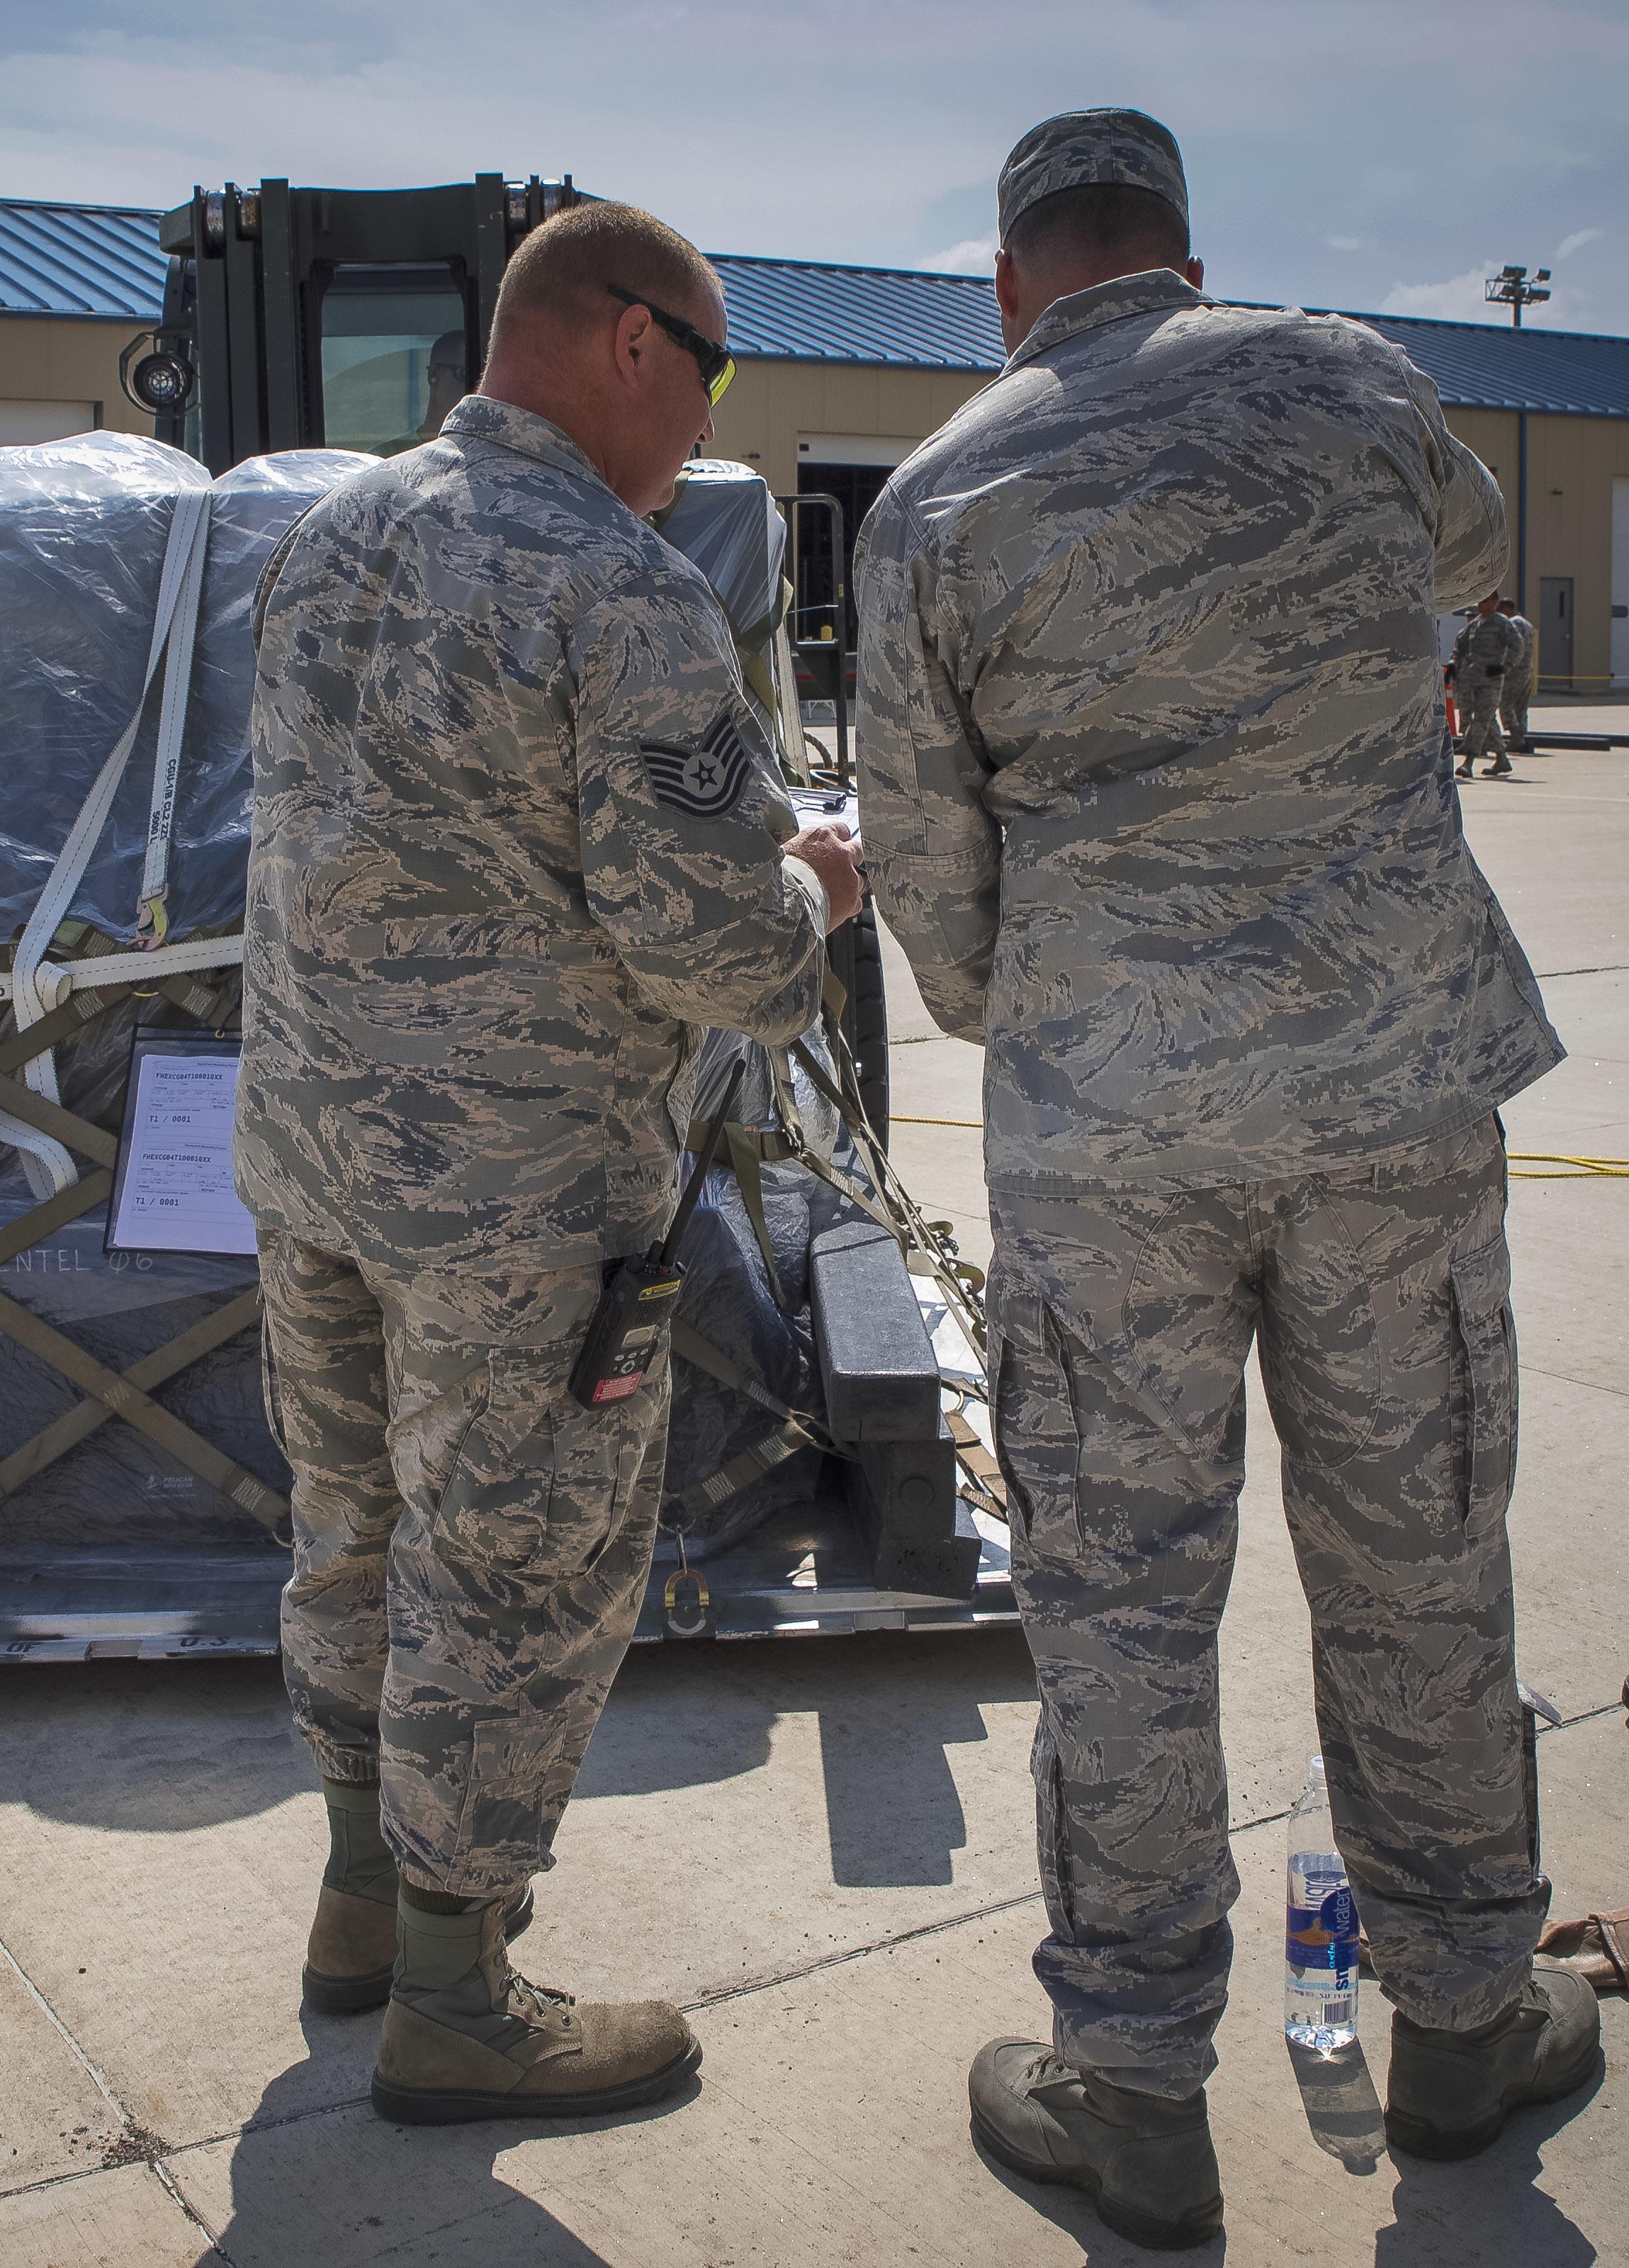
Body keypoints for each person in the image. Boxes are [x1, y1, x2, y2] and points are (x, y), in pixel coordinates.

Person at [856, 106, 1596, 2250]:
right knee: (1417, 1559)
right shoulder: (1347, 380)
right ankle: (1460, 2022)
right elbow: (1460, 559)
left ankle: (1130, 2089)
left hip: (1109, 1137)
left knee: (1114, 1605)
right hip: (1385, 1101)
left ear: (1008, 280)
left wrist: (1053, 1017)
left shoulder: (934, 495)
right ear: (1181, 252)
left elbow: (918, 859)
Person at [237, 199, 863, 2128]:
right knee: (514, 1568)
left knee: (350, 1532)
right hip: (514, 1201)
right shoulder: (615, 582)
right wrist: (810, 894)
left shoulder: (323, 536)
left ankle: (357, 1903)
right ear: (624, 342)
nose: (699, 421)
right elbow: (709, 950)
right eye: (709, 374)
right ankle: (453, 1988)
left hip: (315, 1159)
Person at [1453, 595, 1520, 777]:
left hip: (1491, 682)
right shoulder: (1475, 625)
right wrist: (1455, 666)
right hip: (1473, 680)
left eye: (1484, 602)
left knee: (1481, 720)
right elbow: (1461, 646)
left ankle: (1469, 762)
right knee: (1487, 721)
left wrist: (1504, 667)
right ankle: (1502, 759)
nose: (1480, 606)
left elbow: (1517, 646)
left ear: (1494, 603)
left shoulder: (1503, 624)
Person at [1500, 594, 1538, 751]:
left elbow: (1511, 647)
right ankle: (1522, 737)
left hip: (1514, 672)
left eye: (1501, 610)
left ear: (1507, 609)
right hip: (1527, 671)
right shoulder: (1527, 624)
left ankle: (1515, 737)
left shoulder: (1513, 624)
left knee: (1506, 703)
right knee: (1521, 707)